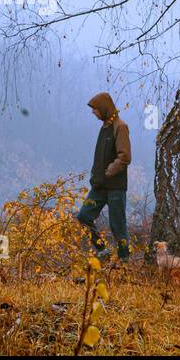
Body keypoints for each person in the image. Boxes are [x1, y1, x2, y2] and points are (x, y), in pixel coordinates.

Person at [76, 91, 132, 261]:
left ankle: (124, 261)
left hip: (115, 187)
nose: (93, 112)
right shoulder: (104, 127)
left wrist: (109, 172)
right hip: (99, 186)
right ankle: (102, 249)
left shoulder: (120, 126)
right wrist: (96, 176)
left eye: (95, 109)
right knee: (83, 216)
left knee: (118, 226)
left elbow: (125, 156)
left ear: (103, 108)